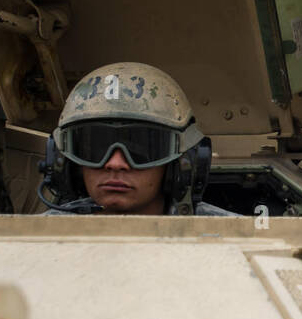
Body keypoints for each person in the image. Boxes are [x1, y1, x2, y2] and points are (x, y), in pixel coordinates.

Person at [40, 61, 233, 216]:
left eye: (140, 150)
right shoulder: (35, 240)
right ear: (64, 161)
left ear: (183, 163)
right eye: (95, 150)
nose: (115, 163)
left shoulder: (229, 238)